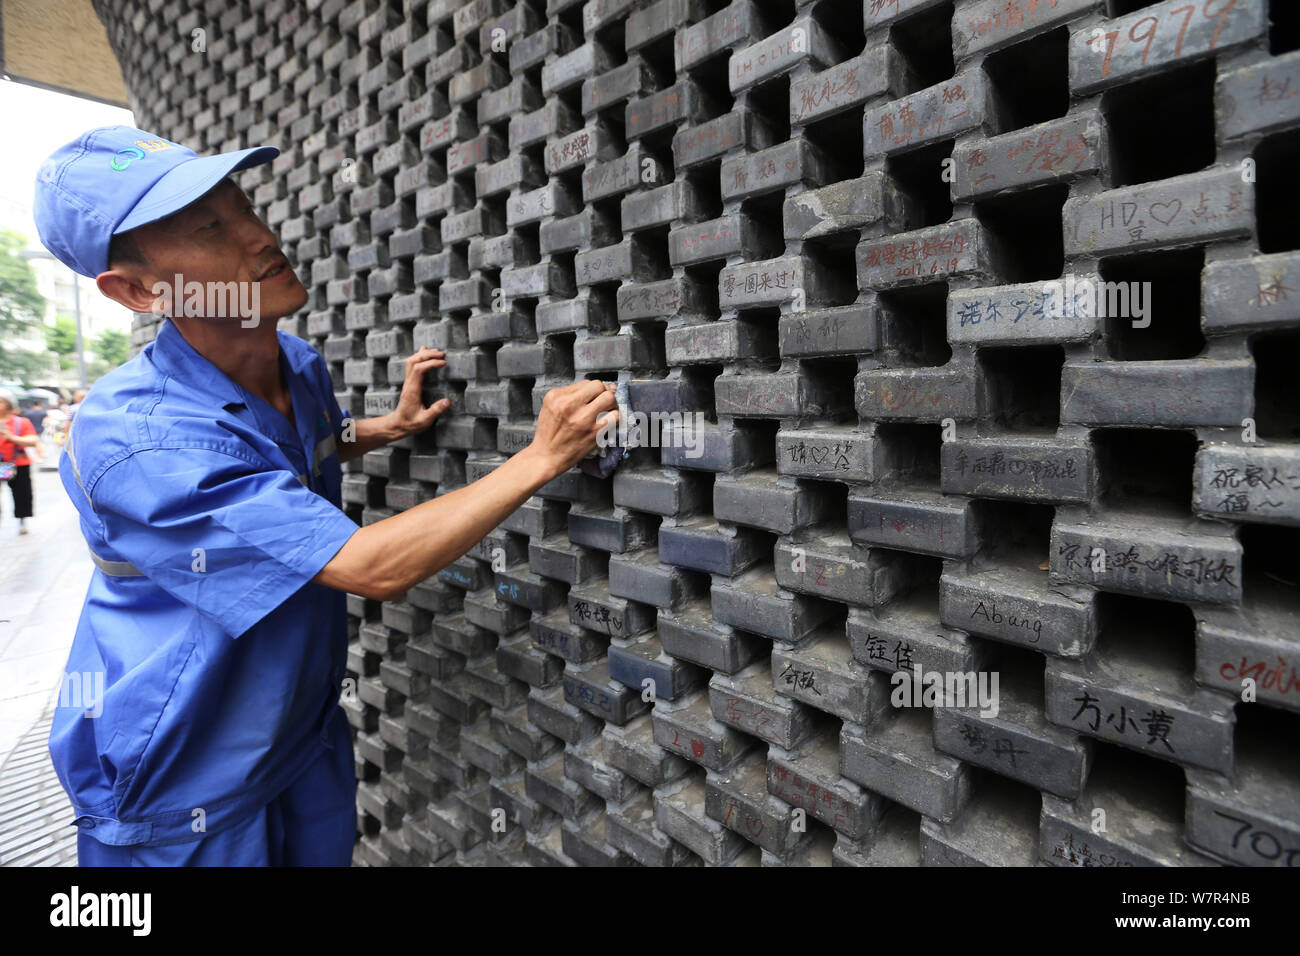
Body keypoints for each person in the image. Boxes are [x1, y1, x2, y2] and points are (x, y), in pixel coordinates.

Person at [33, 126, 617, 866]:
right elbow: (371, 566)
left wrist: (383, 427)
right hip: (182, 777)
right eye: (211, 227)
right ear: (140, 289)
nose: (257, 236)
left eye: (242, 205)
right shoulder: (139, 440)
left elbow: (292, 448)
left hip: (295, 738)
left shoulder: (294, 362)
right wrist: (542, 457)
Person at [0, 390, 39, 534]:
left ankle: (22, 519)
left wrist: (12, 438)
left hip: (17, 463)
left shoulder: (21, 422)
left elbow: (33, 440)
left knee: (21, 493)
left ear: (9, 404)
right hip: (1, 463)